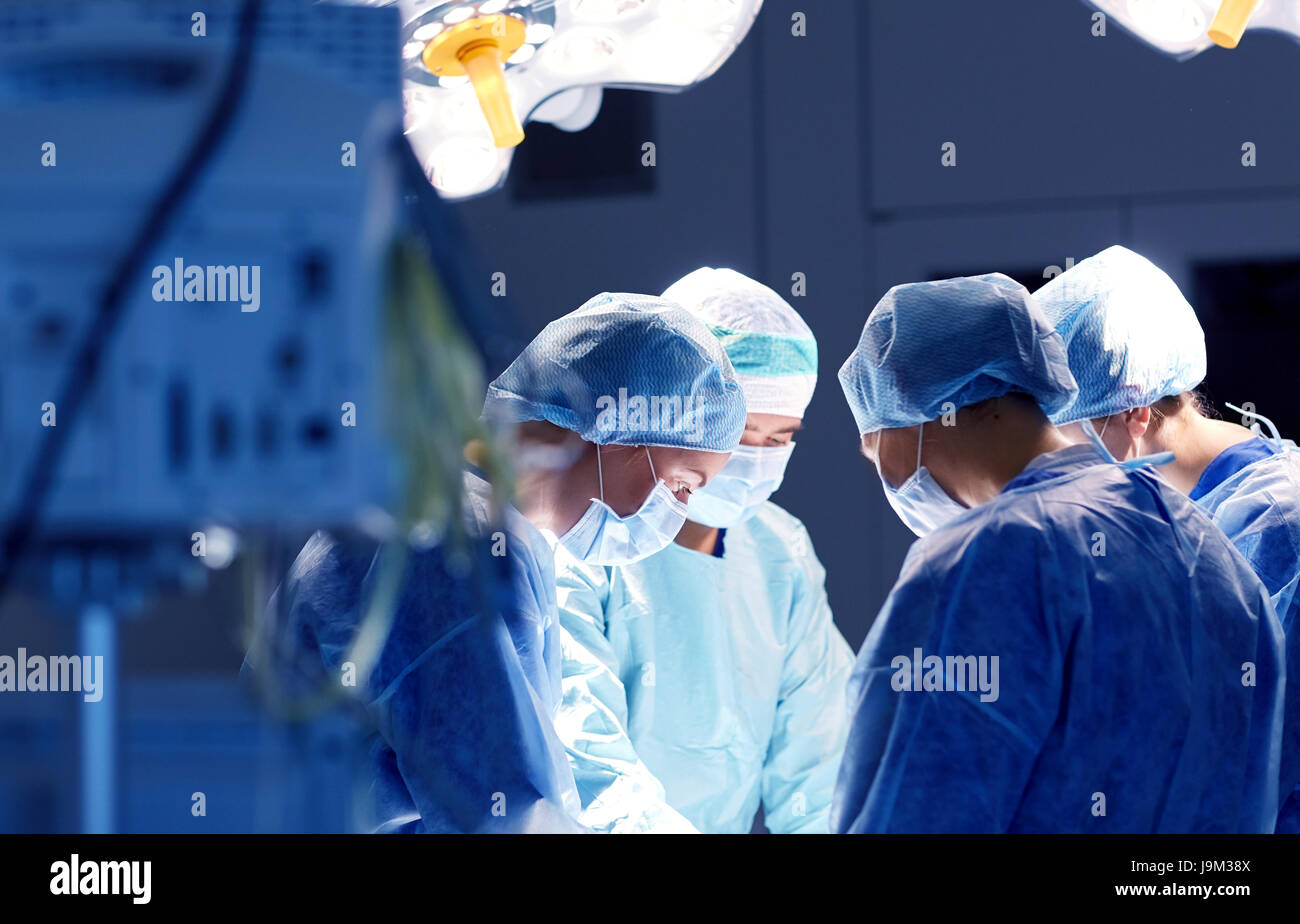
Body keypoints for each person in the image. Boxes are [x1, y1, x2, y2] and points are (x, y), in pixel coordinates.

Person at [246, 293, 745, 833]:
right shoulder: (455, 544)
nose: (680, 513)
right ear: (620, 432)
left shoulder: (449, 514)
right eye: (681, 485)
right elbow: (502, 814)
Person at [832, 273, 1285, 833]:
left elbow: (911, 810)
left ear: (917, 413)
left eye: (871, 446)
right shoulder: (1204, 543)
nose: (882, 471)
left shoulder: (979, 561)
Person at [554, 268, 853, 833]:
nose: (758, 460)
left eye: (782, 438)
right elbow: (584, 758)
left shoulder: (780, 554)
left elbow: (823, 766)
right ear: (675, 414)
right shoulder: (588, 538)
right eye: (742, 434)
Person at [1036, 244, 1300, 831]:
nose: (1051, 472)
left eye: (1061, 443)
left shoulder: (1281, 532)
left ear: (1132, 415)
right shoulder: (1183, 517)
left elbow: (1236, 786)